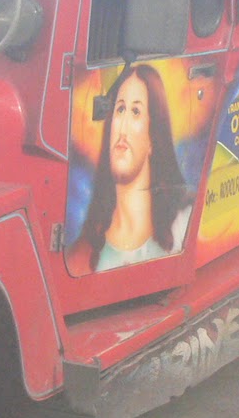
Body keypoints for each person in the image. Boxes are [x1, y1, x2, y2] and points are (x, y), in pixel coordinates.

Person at [69, 64, 191, 274]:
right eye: (120, 109)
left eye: (136, 111)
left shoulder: (183, 222)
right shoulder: (83, 254)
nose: (123, 128)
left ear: (153, 136)